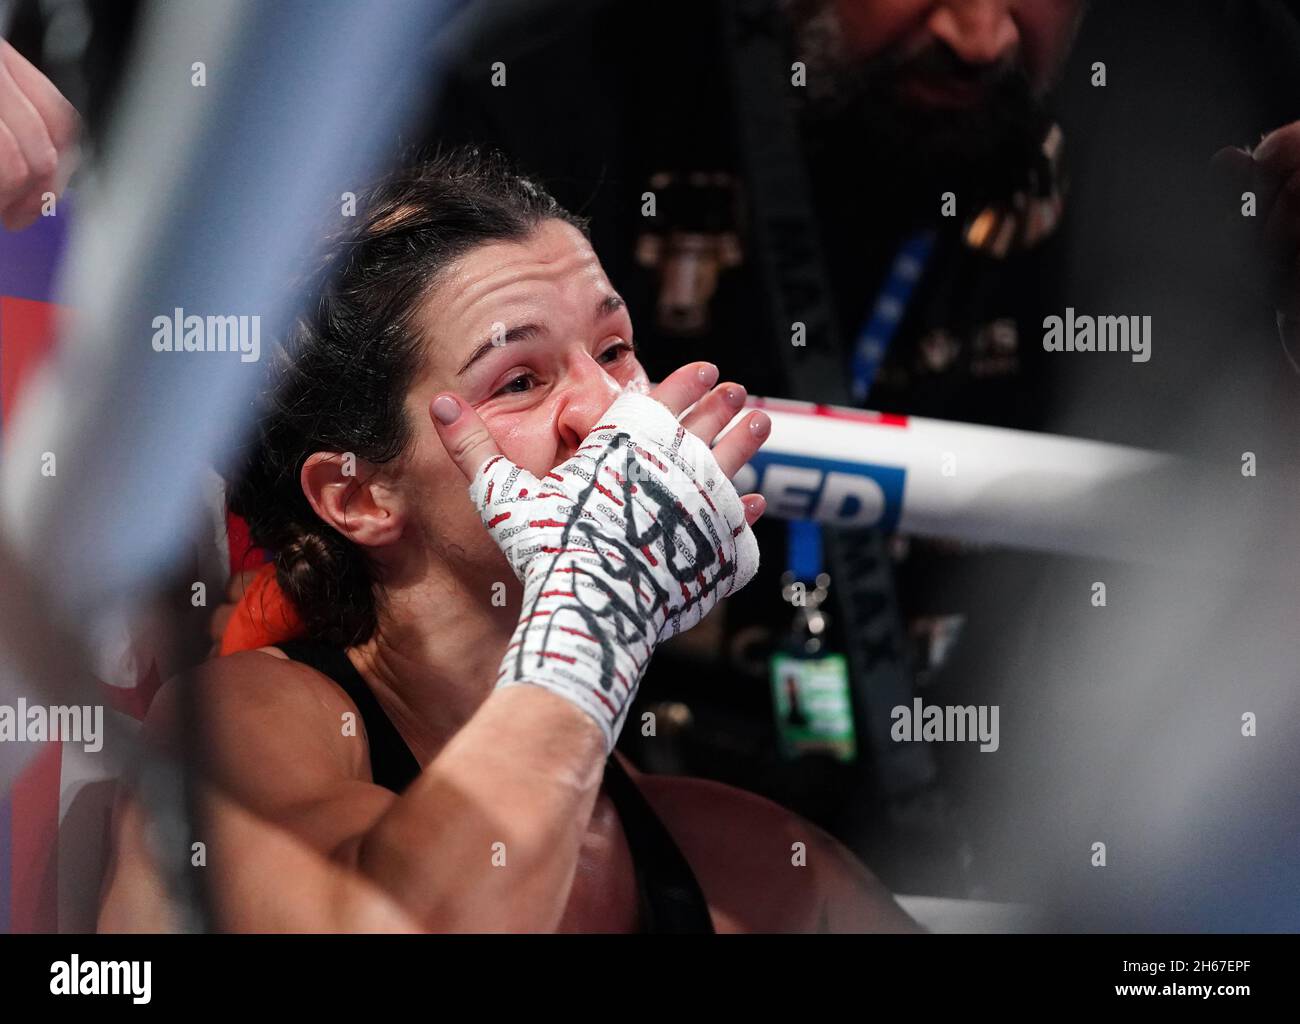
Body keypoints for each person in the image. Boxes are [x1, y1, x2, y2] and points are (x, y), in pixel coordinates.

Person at [96, 147, 923, 933]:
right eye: (519, 380)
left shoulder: (740, 866)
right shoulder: (241, 728)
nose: (605, 411)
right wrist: (598, 611)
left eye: (613, 350)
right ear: (358, 495)